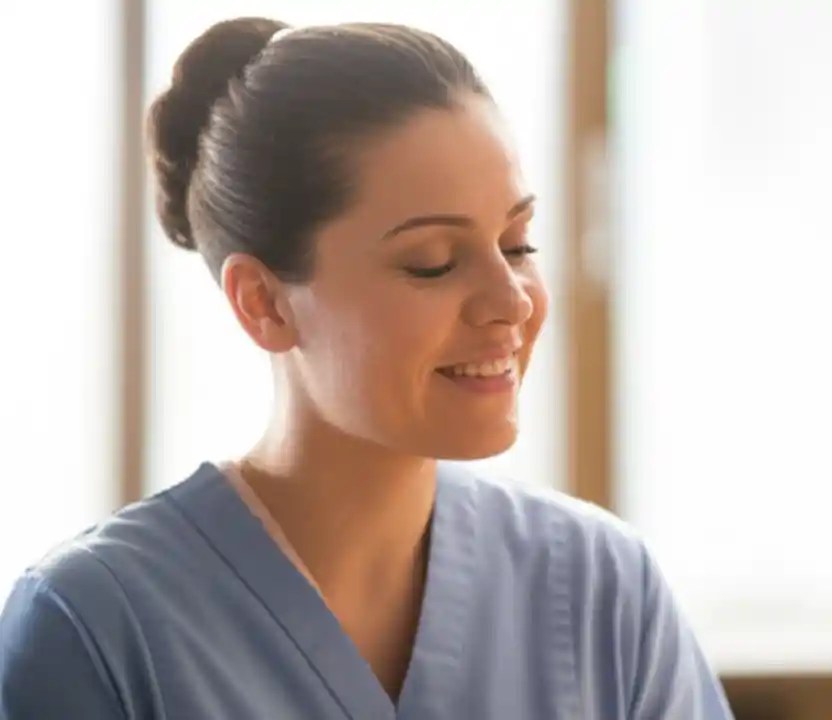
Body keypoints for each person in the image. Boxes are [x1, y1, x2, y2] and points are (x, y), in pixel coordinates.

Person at [0, 17, 732, 720]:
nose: (511, 302)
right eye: (433, 263)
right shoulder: (94, 625)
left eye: (516, 244)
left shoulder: (601, 592)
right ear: (263, 303)